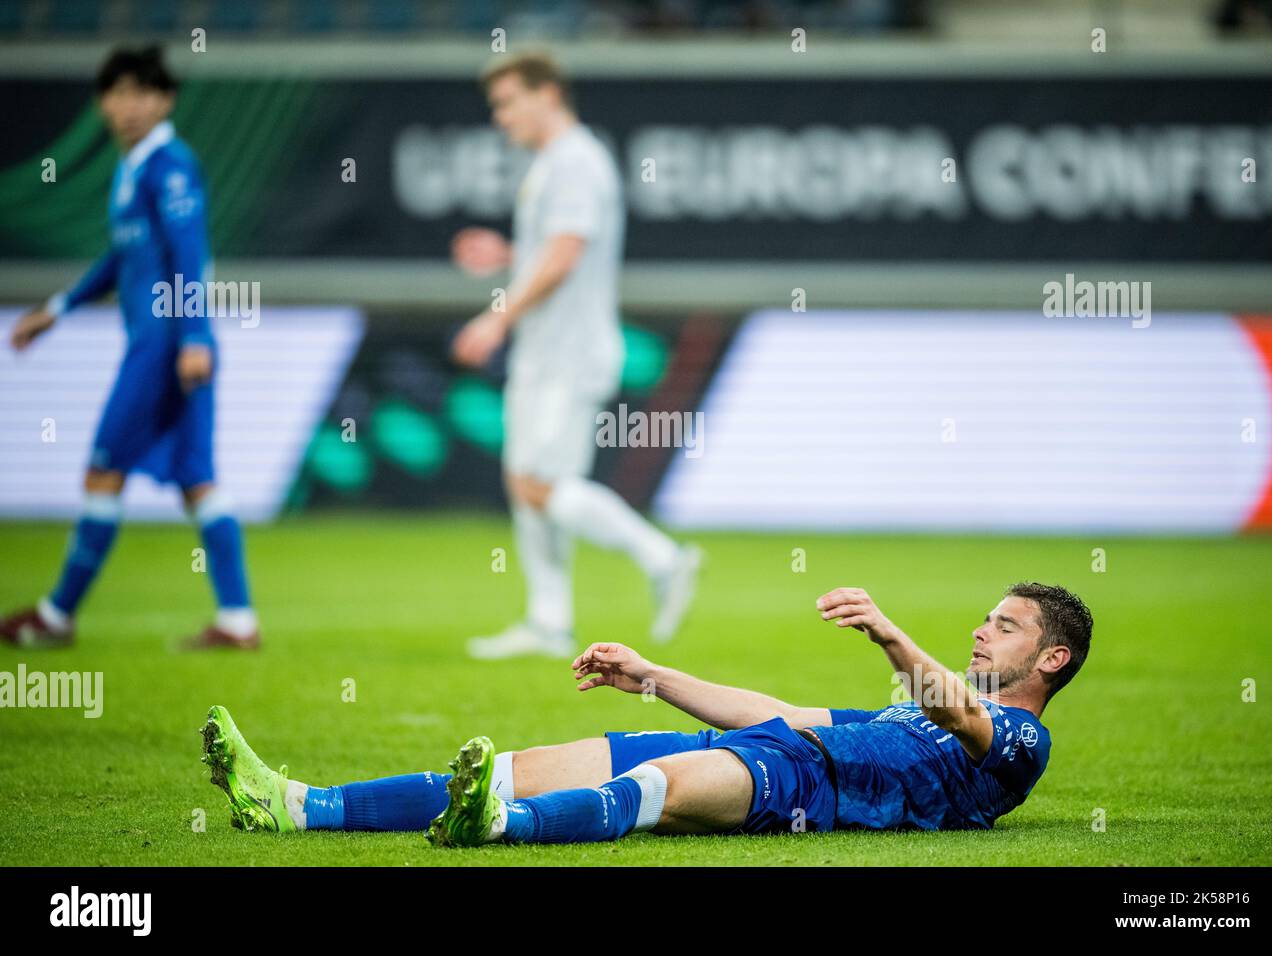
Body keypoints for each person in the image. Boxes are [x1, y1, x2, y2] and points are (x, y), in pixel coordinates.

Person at [200, 582, 1090, 846]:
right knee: (521, 760)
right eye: (985, 617)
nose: (981, 630)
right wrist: (654, 676)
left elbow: (968, 722)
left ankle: (498, 830)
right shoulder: (916, 711)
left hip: (800, 785)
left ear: (1050, 660)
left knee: (653, 787)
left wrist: (894, 637)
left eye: (1003, 626)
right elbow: (778, 707)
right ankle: (297, 803)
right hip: (777, 743)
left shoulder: (1021, 740)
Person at [1, 46, 258, 651]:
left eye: (142, 93)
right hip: (171, 344)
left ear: (165, 100)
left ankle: (57, 616)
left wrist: (192, 335)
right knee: (198, 480)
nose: (129, 106)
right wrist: (58, 309)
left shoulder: (168, 164)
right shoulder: (136, 166)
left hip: (163, 347)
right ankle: (238, 621)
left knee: (103, 469)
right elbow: (123, 257)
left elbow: (188, 254)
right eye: (117, 94)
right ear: (101, 103)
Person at [449, 50, 700, 660]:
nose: (501, 117)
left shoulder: (576, 162)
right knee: (525, 481)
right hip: (547, 352)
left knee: (539, 483)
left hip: (567, 353)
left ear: (547, 95)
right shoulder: (555, 164)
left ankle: (663, 557)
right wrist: (509, 254)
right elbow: (556, 250)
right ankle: (548, 621)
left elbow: (564, 257)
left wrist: (496, 317)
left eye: (508, 102)